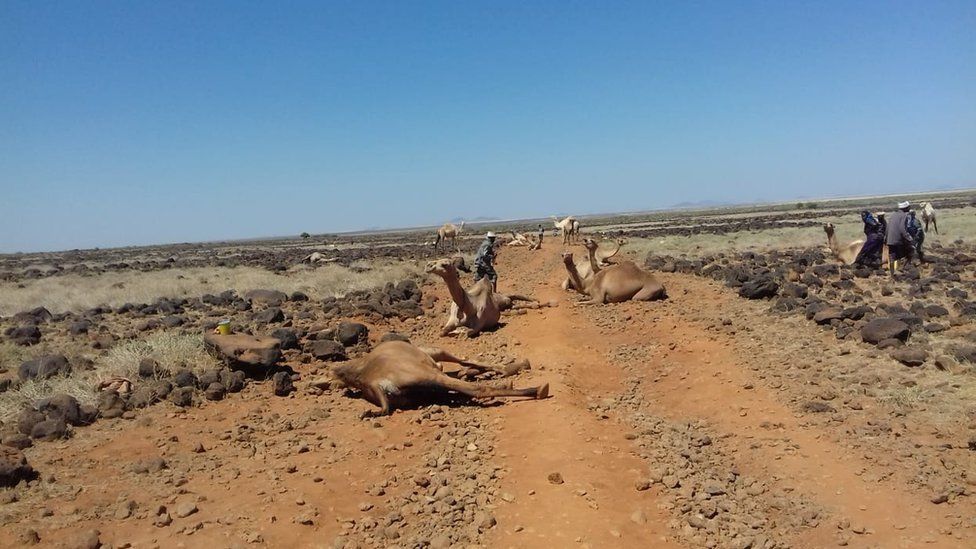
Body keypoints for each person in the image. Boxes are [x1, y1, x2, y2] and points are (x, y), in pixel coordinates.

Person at [886, 201, 914, 275]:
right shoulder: (904, 216)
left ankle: (892, 274)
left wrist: (886, 239)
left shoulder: (893, 215)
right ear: (905, 208)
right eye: (908, 207)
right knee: (910, 251)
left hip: (890, 240)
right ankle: (901, 269)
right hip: (898, 240)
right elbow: (902, 229)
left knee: (892, 257)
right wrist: (909, 239)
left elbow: (887, 228)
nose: (909, 208)